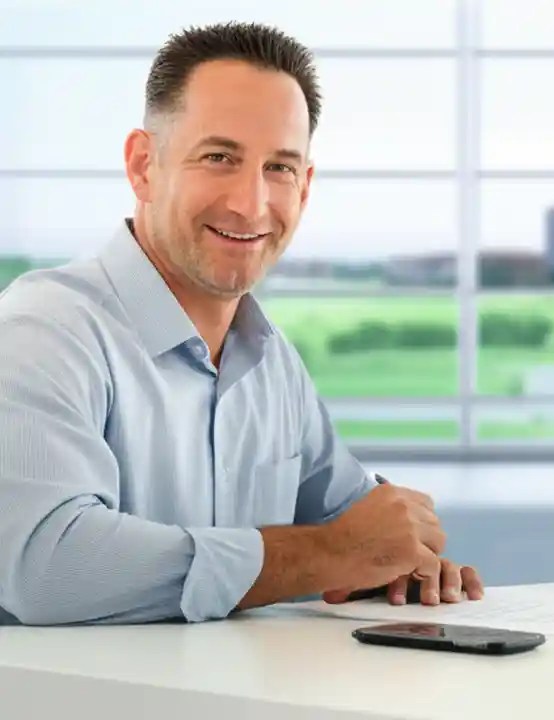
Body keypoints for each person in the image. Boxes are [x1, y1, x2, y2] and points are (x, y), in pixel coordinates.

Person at [0, 21, 483, 626]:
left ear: (304, 188)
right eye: (219, 157)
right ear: (144, 166)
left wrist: (402, 564)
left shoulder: (272, 363)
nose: (250, 204)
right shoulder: (43, 332)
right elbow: (46, 569)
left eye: (279, 168)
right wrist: (326, 555)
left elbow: (358, 524)